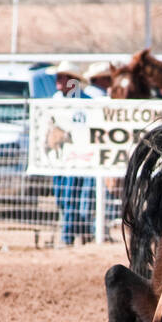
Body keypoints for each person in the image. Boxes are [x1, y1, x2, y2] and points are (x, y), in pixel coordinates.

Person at [47, 62, 95, 247]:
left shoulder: (86, 102)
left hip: (78, 158)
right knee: (62, 196)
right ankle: (82, 232)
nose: (58, 80)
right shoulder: (54, 100)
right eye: (58, 77)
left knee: (70, 197)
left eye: (62, 77)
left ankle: (67, 238)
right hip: (60, 158)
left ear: (72, 80)